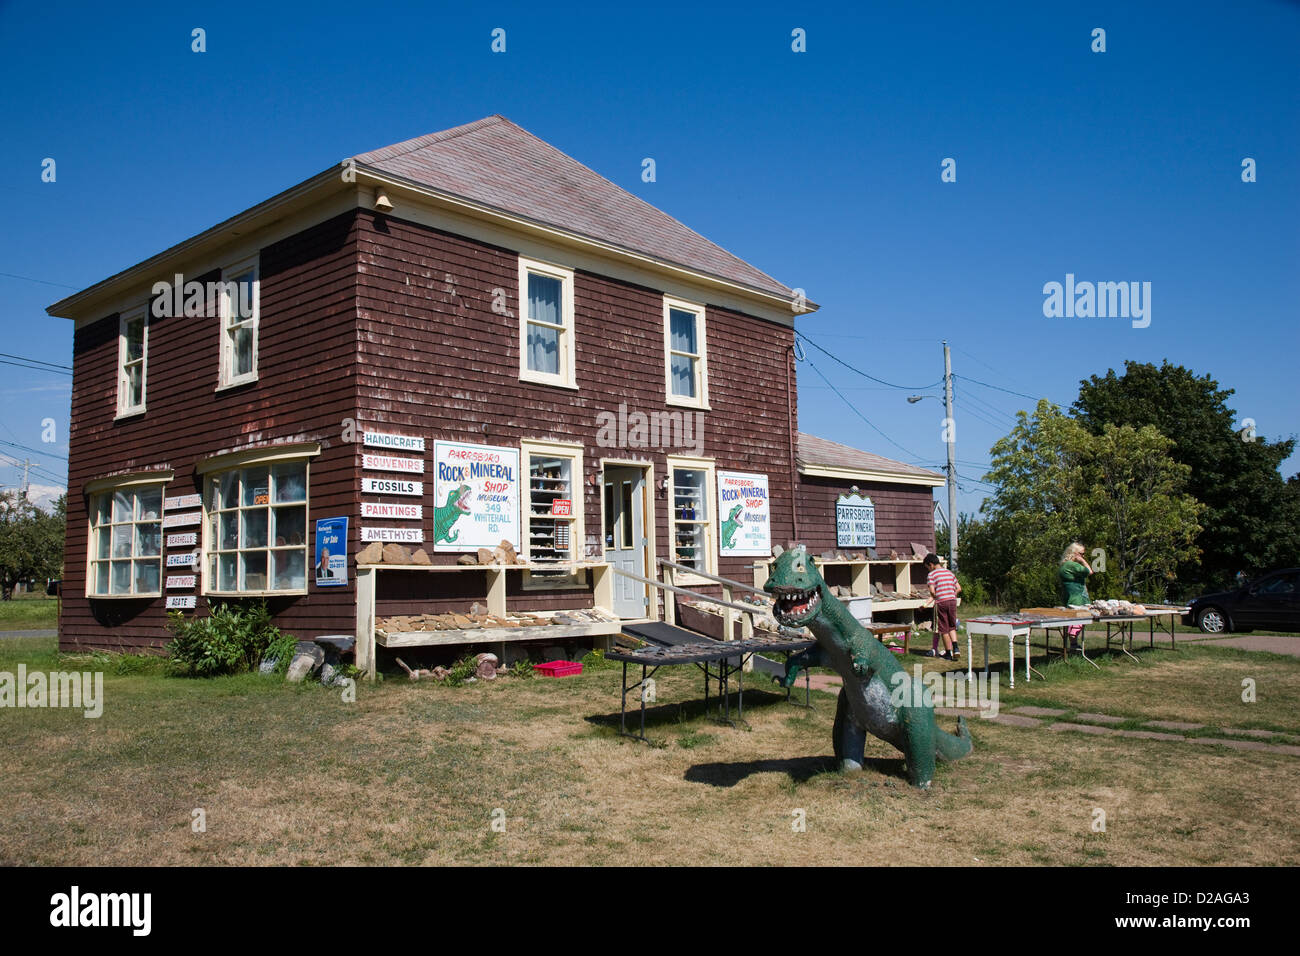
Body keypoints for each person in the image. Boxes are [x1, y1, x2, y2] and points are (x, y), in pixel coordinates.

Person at [923, 553, 961, 662]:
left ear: (931, 564)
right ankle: (956, 648)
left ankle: (948, 653)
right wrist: (951, 594)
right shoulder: (949, 573)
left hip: (941, 603)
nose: (928, 570)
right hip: (952, 601)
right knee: (952, 626)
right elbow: (958, 588)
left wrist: (936, 596)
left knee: (944, 629)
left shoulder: (932, 575)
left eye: (927, 568)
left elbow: (932, 591)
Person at [1059, 542, 1093, 650]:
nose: (1083, 556)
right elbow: (1089, 571)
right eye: (1081, 554)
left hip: (1073, 597)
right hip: (1077, 600)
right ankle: (1074, 646)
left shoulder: (1066, 565)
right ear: (1075, 553)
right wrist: (1082, 561)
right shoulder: (1072, 565)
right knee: (1077, 623)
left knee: (1076, 623)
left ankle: (1073, 644)